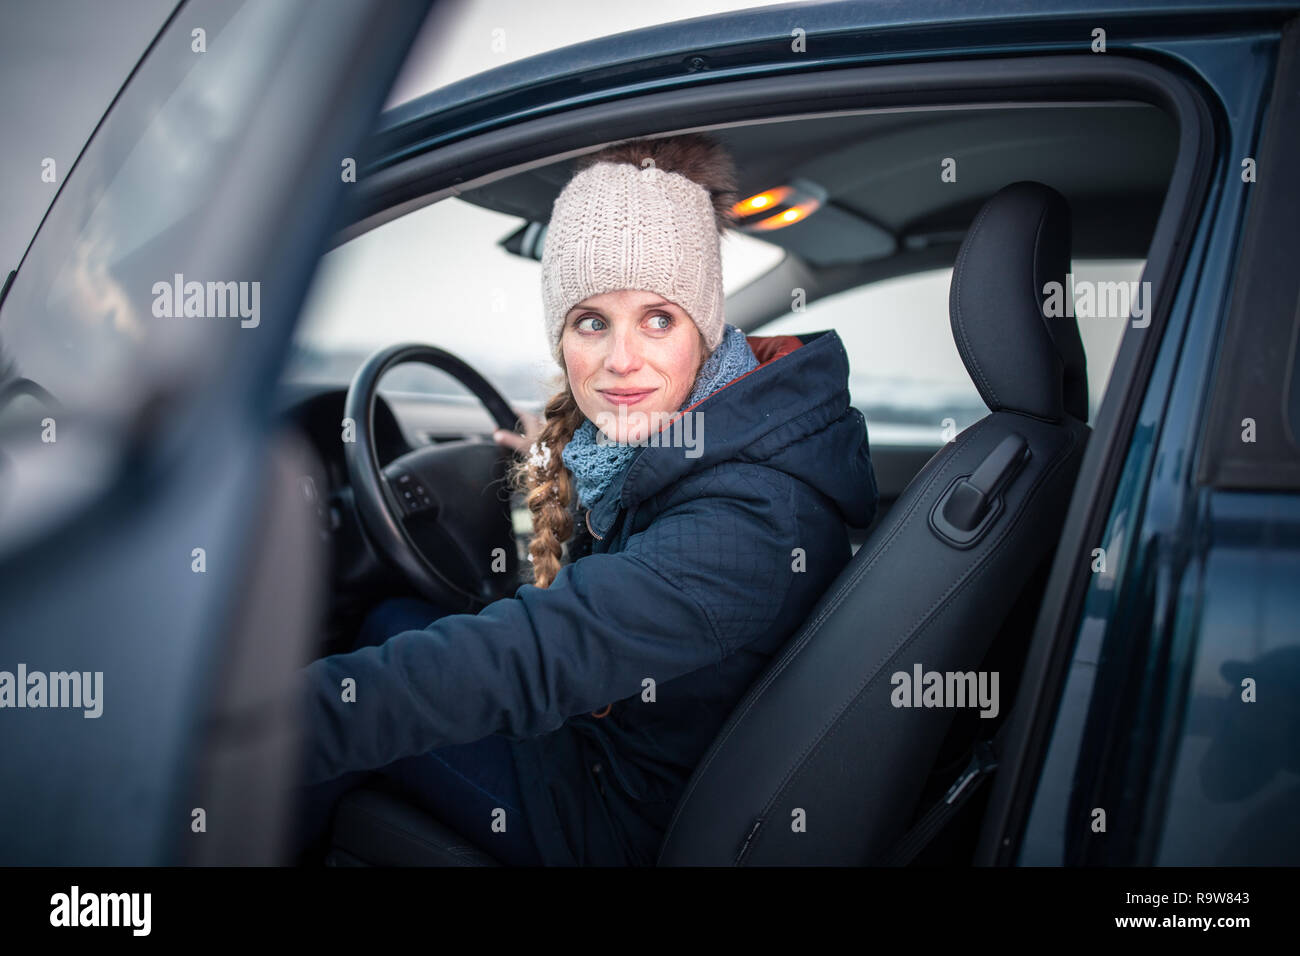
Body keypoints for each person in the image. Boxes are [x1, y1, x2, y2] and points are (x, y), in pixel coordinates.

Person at [291, 132, 879, 866]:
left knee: (357, 681)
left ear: (704, 325)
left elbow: (531, 657)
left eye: (657, 318)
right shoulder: (706, 437)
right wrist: (548, 451)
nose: (620, 360)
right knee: (388, 620)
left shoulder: (751, 522)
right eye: (591, 322)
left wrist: (256, 731)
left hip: (617, 814)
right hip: (625, 747)